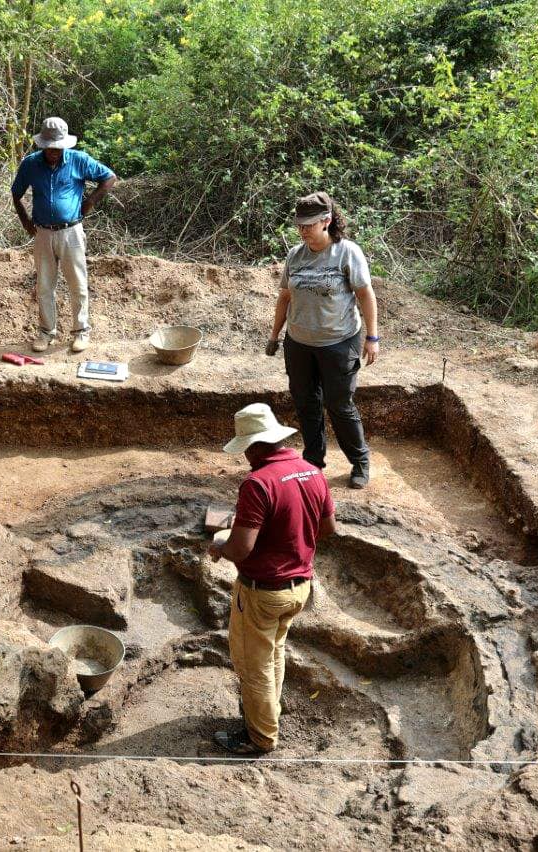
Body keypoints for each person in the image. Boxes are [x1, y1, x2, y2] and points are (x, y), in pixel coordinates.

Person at [209, 402, 335, 756]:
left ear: (253, 446)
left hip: (263, 592)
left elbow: (242, 549)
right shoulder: (311, 471)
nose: (245, 455)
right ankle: (266, 712)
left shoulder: (257, 484)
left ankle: (259, 737)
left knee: (253, 666)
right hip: (300, 586)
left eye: (245, 448)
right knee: (273, 651)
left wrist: (220, 547)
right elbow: (327, 528)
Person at [266, 191, 380, 489]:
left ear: (327, 221)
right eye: (299, 225)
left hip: (339, 341)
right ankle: (313, 460)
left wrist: (372, 336)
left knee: (339, 404)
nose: (303, 230)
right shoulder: (295, 255)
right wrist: (275, 334)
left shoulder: (347, 252)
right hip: (299, 343)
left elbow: (365, 295)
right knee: (306, 402)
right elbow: (285, 297)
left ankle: (360, 462)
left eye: (309, 224)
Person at [11, 116, 117, 354]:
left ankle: (81, 332)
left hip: (71, 231)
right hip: (43, 233)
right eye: (50, 148)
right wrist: (26, 222)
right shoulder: (30, 164)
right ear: (42, 145)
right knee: (45, 285)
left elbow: (109, 177)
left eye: (58, 148)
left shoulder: (79, 161)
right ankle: (46, 332)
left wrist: (90, 201)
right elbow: (16, 193)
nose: (54, 152)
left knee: (77, 283)